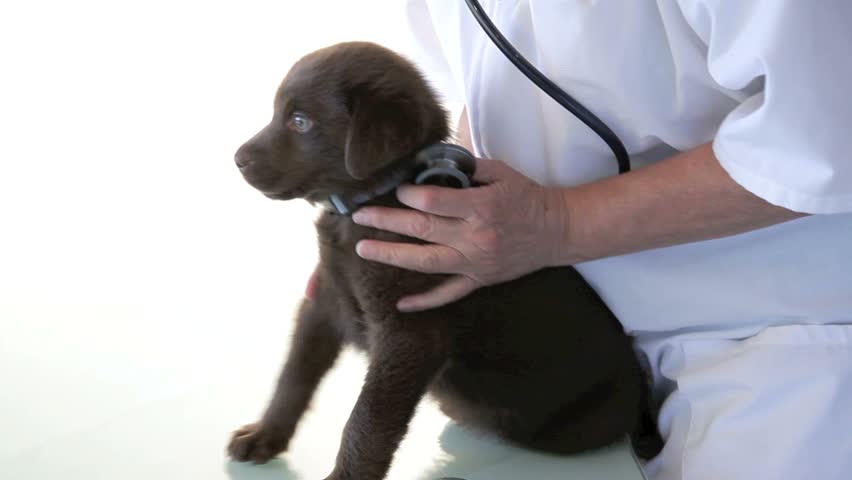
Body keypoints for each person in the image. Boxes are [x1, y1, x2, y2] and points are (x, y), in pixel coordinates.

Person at [342, 2, 852, 480]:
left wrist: (560, 223)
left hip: (786, 334)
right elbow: (489, 86)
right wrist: (449, 227)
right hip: (572, 338)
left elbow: (819, 135)